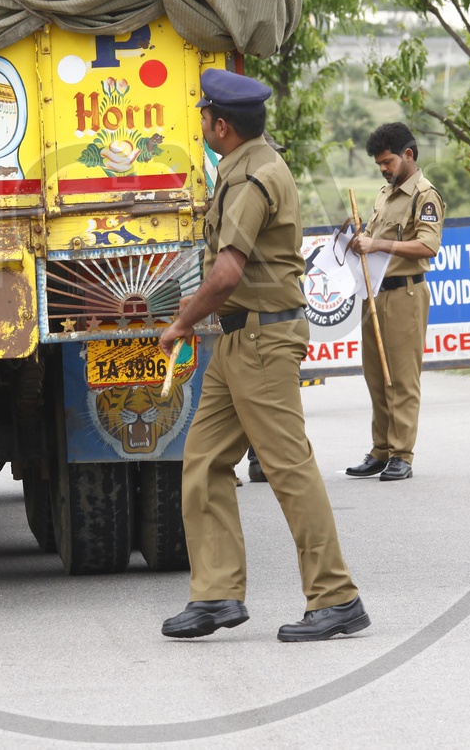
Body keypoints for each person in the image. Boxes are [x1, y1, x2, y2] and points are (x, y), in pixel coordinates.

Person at [158, 69, 368, 642]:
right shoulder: (241, 167)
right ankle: (217, 594)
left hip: (261, 339)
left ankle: (336, 596)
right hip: (237, 340)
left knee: (287, 468)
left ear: (221, 126)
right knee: (203, 462)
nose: (200, 122)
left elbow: (226, 272)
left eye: (203, 115)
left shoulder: (254, 177)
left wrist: (180, 323)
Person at [344, 123, 446, 482]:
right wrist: (358, 239)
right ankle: (381, 449)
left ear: (408, 155)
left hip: (406, 293)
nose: (383, 169)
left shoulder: (424, 195)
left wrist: (378, 245)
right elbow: (372, 237)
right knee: (375, 375)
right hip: (374, 294)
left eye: (387, 162)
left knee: (401, 378)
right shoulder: (385, 194)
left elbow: (428, 245)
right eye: (379, 164)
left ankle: (402, 453)